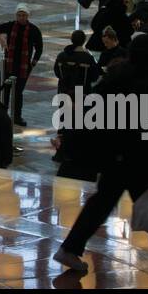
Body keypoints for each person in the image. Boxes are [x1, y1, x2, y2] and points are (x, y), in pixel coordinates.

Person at [53, 34, 148, 278]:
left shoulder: (119, 74)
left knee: (105, 203)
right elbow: (138, 128)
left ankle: (70, 248)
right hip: (131, 157)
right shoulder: (140, 82)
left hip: (116, 155)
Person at [54, 29, 101, 181]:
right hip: (81, 94)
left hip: (64, 91)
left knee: (63, 121)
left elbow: (57, 72)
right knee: (78, 122)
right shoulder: (88, 58)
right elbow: (94, 76)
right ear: (83, 41)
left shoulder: (62, 56)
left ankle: (61, 151)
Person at [0, 5, 44, 127]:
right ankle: (2, 115)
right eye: (19, 15)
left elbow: (39, 47)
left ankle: (17, 117)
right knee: (5, 90)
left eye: (24, 15)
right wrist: (1, 37)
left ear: (28, 16)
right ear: (16, 16)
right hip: (9, 64)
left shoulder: (34, 30)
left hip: (24, 66)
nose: (21, 17)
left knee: (18, 92)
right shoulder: (10, 26)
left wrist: (33, 63)